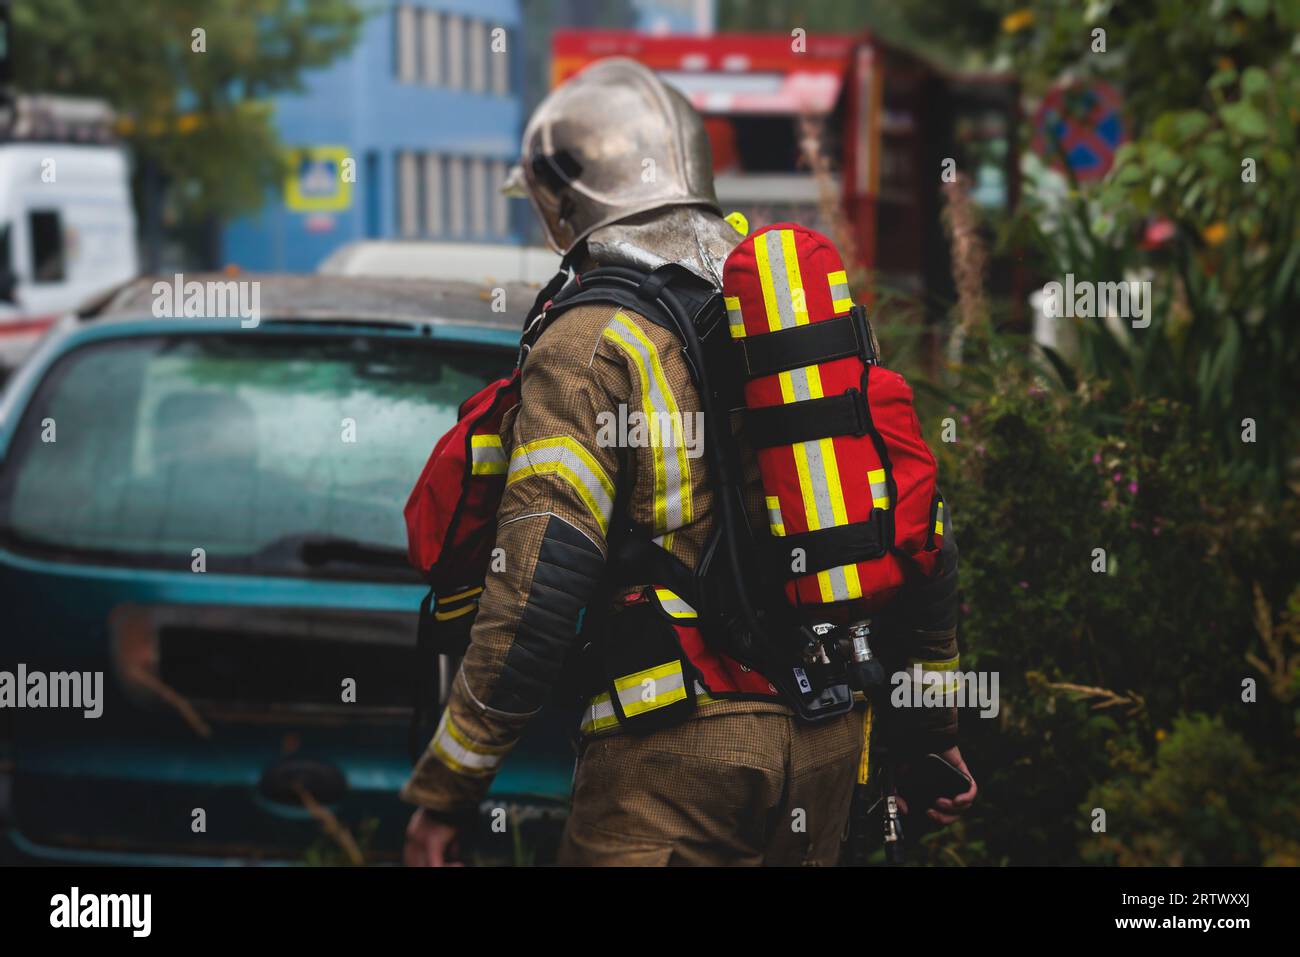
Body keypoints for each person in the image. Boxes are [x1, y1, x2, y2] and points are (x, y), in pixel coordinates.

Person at [402, 57, 975, 867]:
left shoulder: (590, 339)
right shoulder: (800, 321)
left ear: (567, 199)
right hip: (827, 749)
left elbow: (538, 580)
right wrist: (933, 730)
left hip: (672, 769)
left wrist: (450, 785)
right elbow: (923, 532)